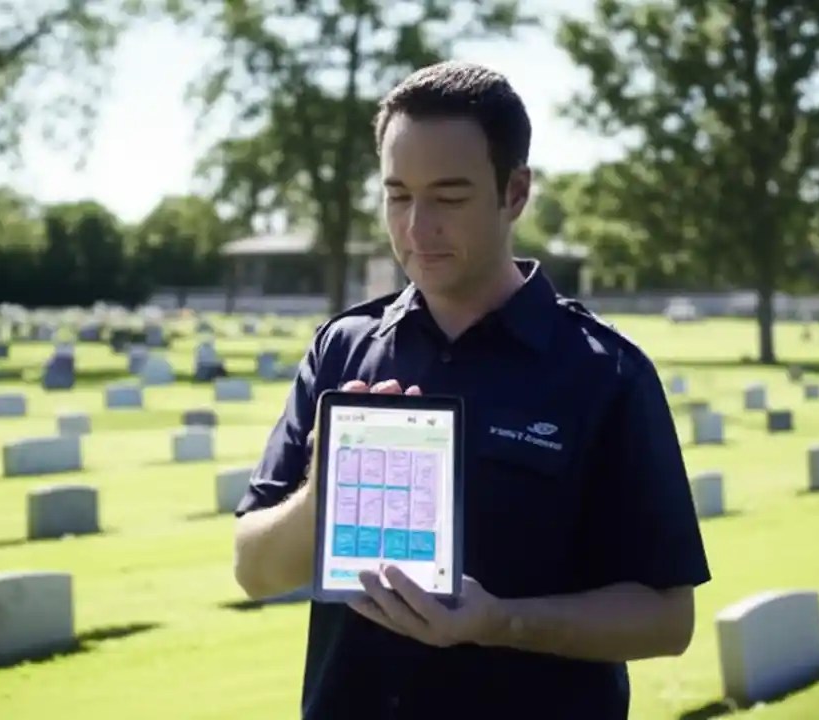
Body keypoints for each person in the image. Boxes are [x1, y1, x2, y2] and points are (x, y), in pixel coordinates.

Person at [232, 60, 711, 720]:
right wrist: (329, 483)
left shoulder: (607, 372)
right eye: (398, 195)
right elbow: (255, 571)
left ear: (514, 192)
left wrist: (500, 622)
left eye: (449, 198)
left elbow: (667, 618)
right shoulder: (342, 349)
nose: (417, 228)